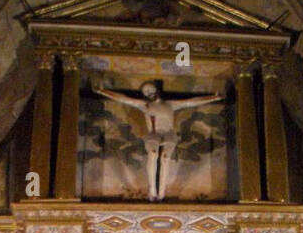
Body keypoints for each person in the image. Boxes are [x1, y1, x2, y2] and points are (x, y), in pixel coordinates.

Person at [92, 79, 223, 200]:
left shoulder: (170, 104)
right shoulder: (145, 105)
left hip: (168, 134)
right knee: (153, 154)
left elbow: (191, 101)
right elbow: (124, 99)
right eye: (145, 92)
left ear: (156, 90)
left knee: (165, 158)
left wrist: (213, 97)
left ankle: (162, 192)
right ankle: (152, 189)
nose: (148, 93)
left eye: (150, 90)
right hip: (153, 134)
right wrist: (102, 91)